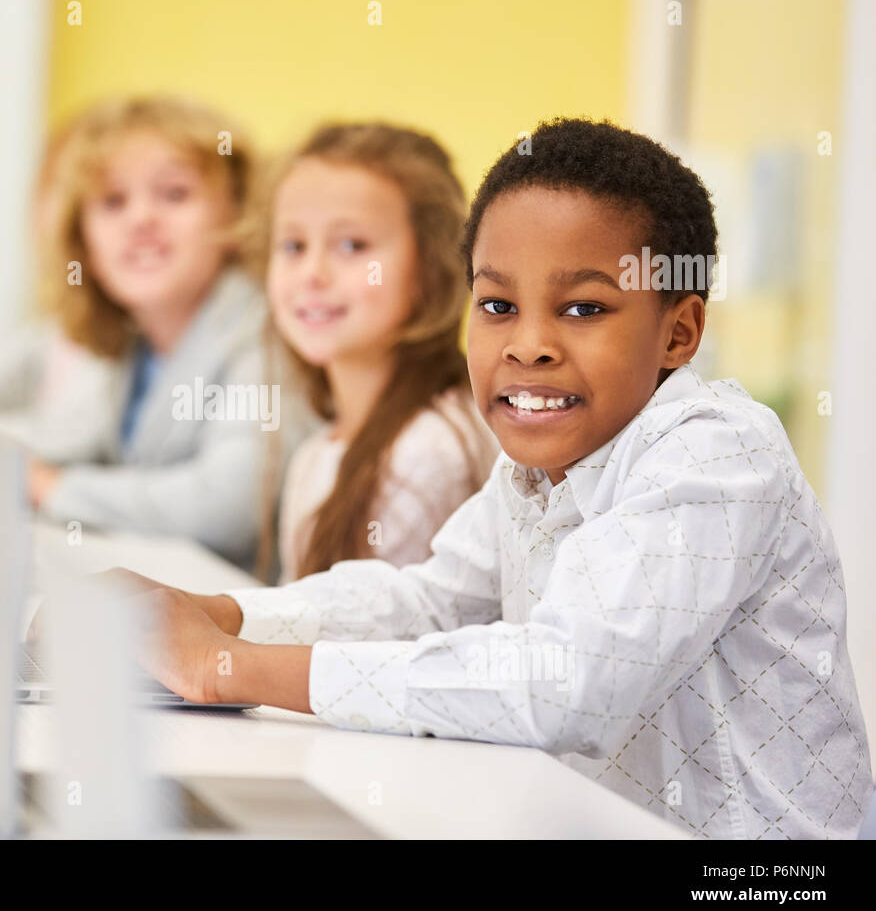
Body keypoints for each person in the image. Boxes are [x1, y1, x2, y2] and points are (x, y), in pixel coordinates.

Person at [104, 118, 873, 838]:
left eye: (583, 308)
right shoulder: (537, 465)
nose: (529, 345)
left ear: (681, 332)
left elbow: (570, 685)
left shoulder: (716, 453)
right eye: (498, 304)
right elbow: (431, 602)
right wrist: (225, 614)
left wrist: (228, 668)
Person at [19, 96, 311, 570]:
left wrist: (56, 489)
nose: (140, 220)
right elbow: (67, 440)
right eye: (113, 202)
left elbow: (228, 505)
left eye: (174, 194)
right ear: (85, 243)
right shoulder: (136, 338)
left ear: (238, 219)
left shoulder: (263, 332)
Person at [258, 123, 497, 582]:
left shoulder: (425, 452)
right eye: (292, 245)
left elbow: (374, 648)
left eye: (352, 245)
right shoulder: (318, 450)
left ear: (431, 267)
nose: (312, 272)